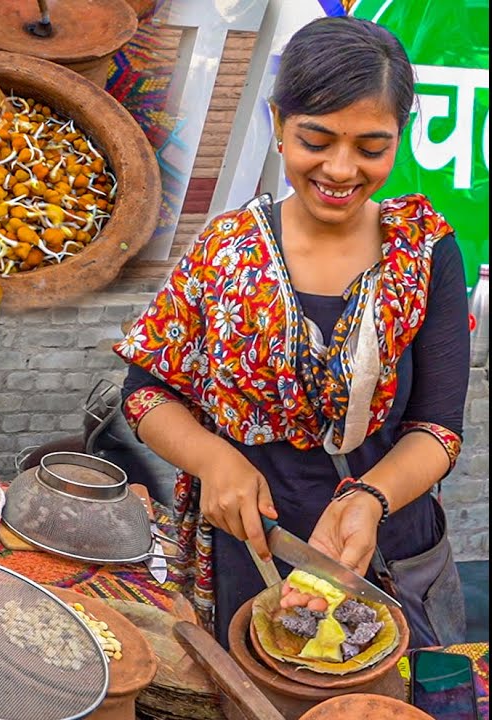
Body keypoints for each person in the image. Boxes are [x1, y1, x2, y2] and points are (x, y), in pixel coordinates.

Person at [114, 16, 469, 648]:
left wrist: (371, 500)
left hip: (382, 550)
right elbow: (144, 395)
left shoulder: (424, 250)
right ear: (278, 125)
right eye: (317, 139)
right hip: (254, 548)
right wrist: (213, 458)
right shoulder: (227, 251)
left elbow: (438, 430)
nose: (340, 169)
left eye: (371, 147)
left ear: (399, 139)